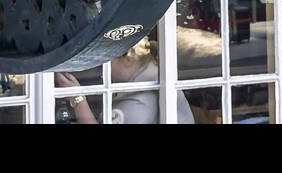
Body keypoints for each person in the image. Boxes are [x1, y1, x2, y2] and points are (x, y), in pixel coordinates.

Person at [55, 40, 196, 124]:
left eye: (107, 60)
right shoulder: (154, 73)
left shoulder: (140, 103)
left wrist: (77, 98)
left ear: (128, 59)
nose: (104, 67)